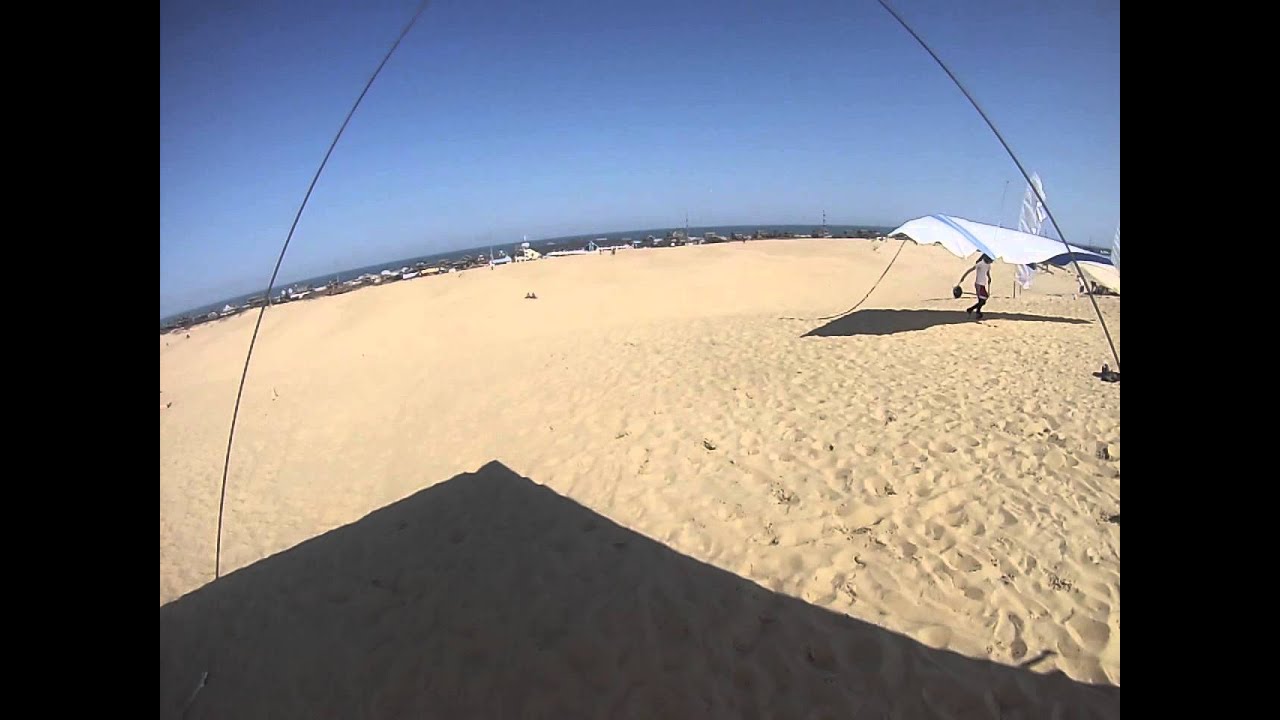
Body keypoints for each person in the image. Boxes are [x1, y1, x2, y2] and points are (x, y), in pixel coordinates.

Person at [957, 254, 994, 319]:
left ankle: (977, 312)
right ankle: (971, 310)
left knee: (981, 301)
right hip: (978, 284)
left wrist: (989, 278)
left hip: (983, 284)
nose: (991, 262)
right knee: (983, 300)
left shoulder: (988, 265)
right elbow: (969, 270)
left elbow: (987, 272)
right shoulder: (980, 264)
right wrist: (963, 278)